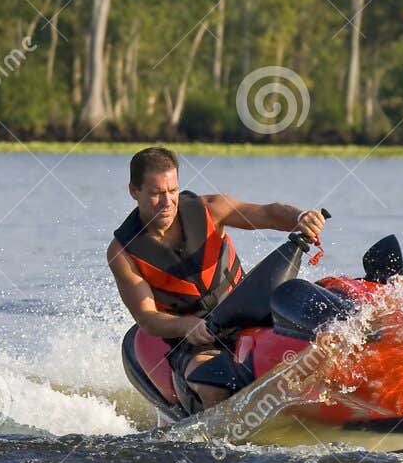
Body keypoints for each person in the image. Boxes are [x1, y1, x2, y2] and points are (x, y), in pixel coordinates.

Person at [106, 146, 326, 410]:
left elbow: (268, 213)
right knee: (214, 381)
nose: (167, 202)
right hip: (194, 342)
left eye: (172, 191)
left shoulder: (211, 208)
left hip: (250, 313)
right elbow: (148, 318)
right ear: (134, 191)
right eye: (155, 194)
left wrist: (300, 217)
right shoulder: (122, 253)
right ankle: (225, 445)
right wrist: (187, 326)